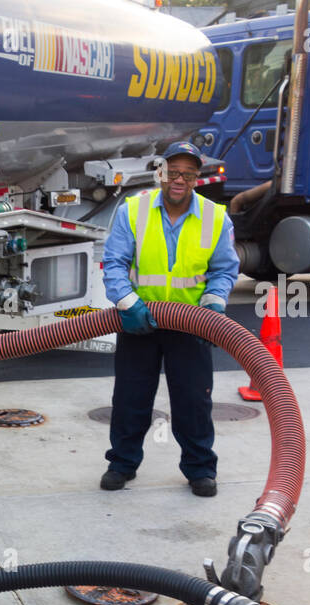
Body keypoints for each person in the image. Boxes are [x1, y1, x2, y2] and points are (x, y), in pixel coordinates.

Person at [99, 141, 240, 497]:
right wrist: (128, 303)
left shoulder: (215, 217)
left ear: (197, 178)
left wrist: (214, 302)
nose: (179, 179)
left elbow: (224, 270)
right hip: (139, 321)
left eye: (188, 174)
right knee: (131, 398)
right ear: (160, 172)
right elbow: (114, 263)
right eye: (172, 172)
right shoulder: (134, 210)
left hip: (191, 325)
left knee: (194, 400)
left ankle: (200, 469)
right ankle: (122, 464)